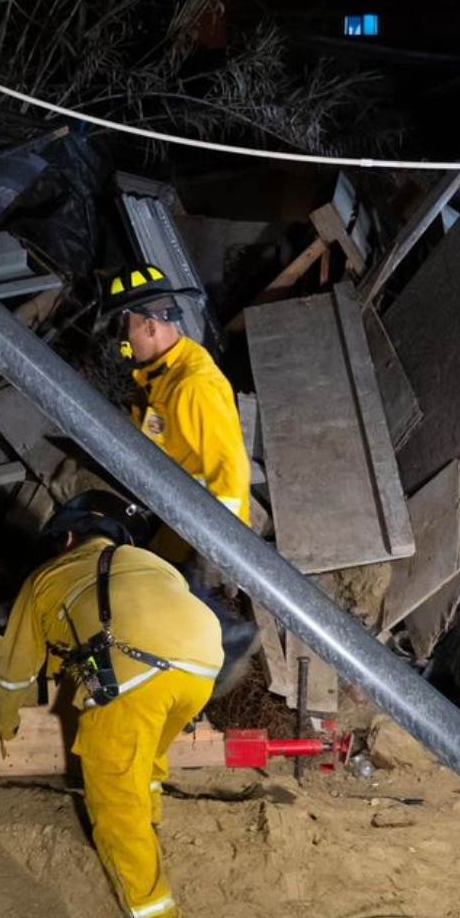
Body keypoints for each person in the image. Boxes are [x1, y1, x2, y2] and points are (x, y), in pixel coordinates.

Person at [0, 491, 222, 918]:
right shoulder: (149, 564)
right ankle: (151, 821)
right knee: (147, 756)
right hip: (202, 663)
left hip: (137, 673)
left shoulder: (47, 577)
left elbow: (17, 671)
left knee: (114, 808)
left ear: (68, 537)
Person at [103, 264, 257, 668]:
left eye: (126, 328)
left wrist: (218, 546)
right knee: (157, 577)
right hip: (177, 508)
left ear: (150, 326)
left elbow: (231, 470)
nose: (123, 341)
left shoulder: (194, 385)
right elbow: (162, 431)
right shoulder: (164, 373)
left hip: (202, 522)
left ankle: (226, 640)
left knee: (173, 590)